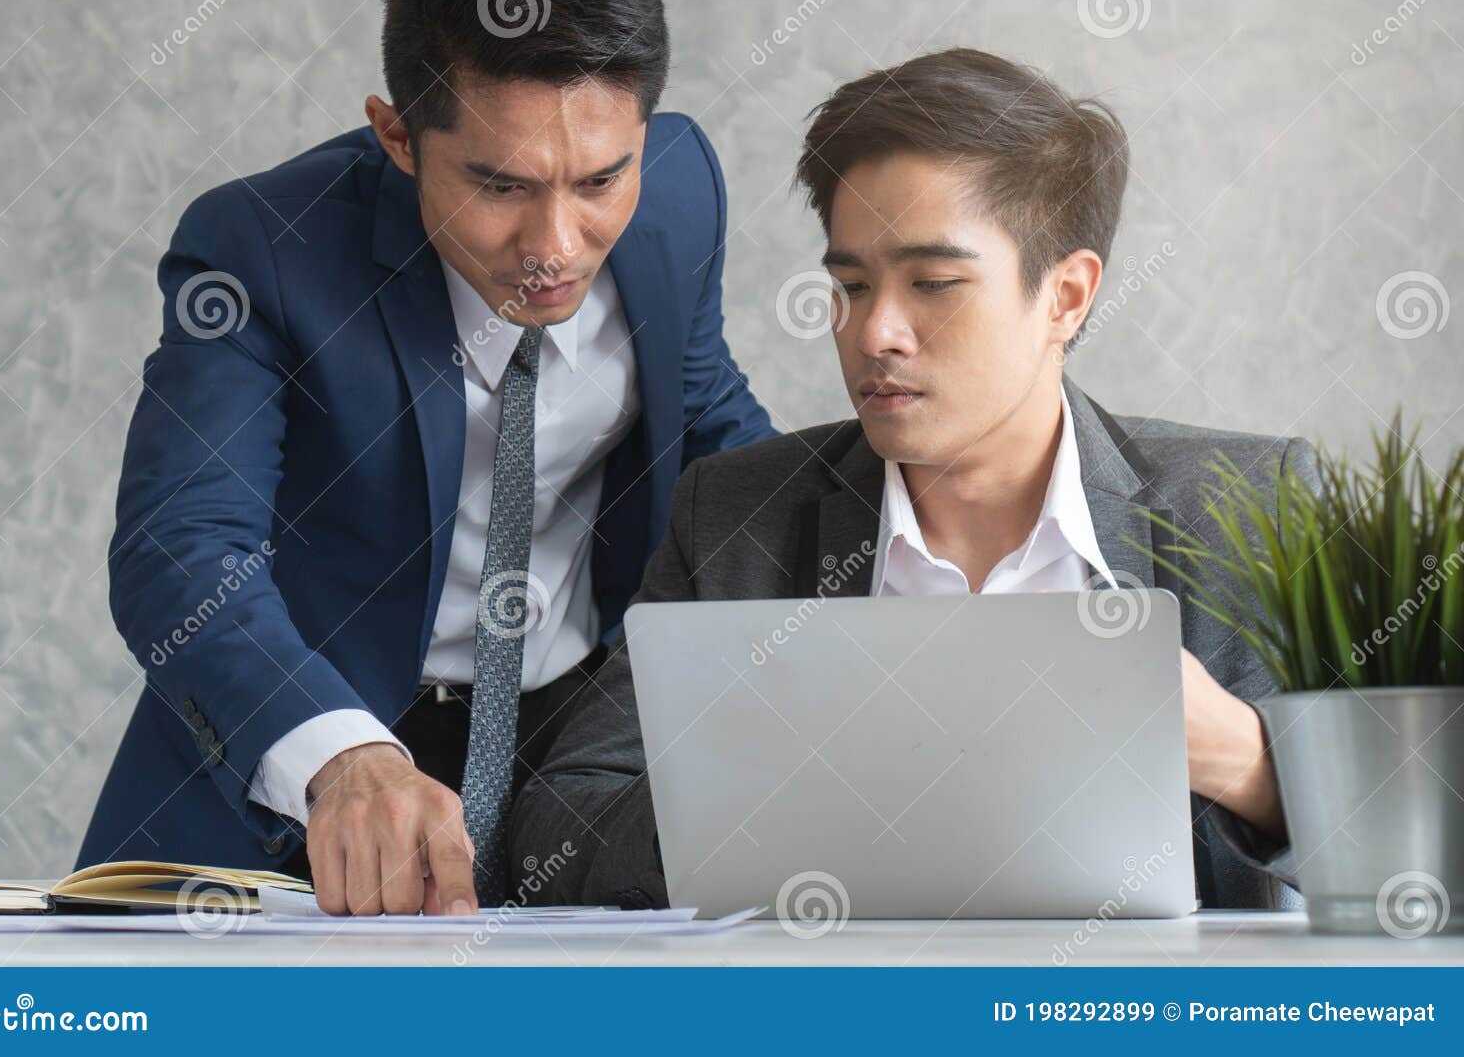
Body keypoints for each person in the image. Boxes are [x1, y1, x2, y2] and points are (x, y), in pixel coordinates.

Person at [77, 0, 773, 916]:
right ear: (397, 136)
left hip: (580, 777)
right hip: (310, 773)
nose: (557, 246)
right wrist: (338, 753)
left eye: (598, 179)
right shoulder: (262, 250)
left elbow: (711, 431)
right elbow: (180, 545)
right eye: (501, 186)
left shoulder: (678, 194)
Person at [512, 48, 1313, 910]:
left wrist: (1239, 756)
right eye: (851, 285)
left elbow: (1409, 825)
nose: (874, 333)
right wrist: (771, 804)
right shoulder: (734, 517)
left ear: (1067, 296)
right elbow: (555, 830)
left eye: (933, 283)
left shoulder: (1255, 506)